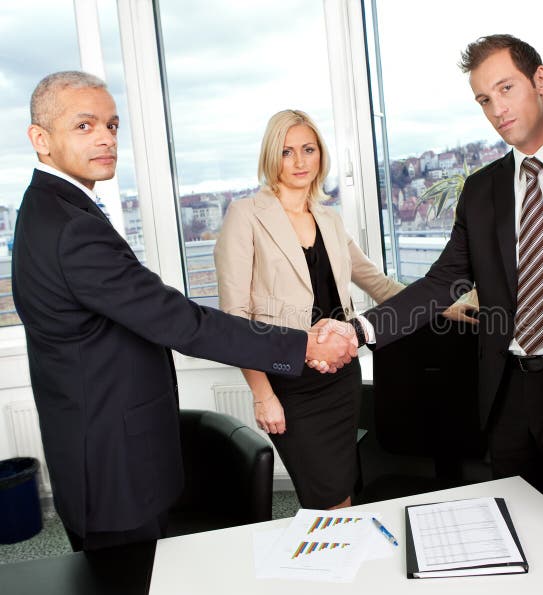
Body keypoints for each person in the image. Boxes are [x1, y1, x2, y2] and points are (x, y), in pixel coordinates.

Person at [322, 34, 543, 543]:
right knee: (517, 535)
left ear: (540, 81)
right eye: (483, 99)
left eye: (506, 88)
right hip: (508, 395)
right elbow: (440, 284)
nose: (497, 109)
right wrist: (358, 330)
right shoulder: (481, 190)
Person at [11, 71, 354, 551]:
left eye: (112, 126)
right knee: (130, 586)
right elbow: (179, 320)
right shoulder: (71, 226)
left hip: (100, 443)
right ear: (40, 139)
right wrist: (302, 345)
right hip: (113, 462)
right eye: (85, 126)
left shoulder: (54, 210)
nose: (106, 138)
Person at [214, 110, 404, 510]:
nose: (299, 162)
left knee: (345, 493)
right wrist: (262, 395)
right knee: (327, 498)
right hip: (289, 383)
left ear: (321, 155)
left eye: (308, 149)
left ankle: (339, 567)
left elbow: (377, 282)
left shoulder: (329, 219)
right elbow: (235, 318)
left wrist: (446, 303)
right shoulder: (246, 215)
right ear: (271, 156)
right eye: (287, 152)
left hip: (340, 377)